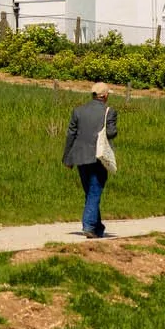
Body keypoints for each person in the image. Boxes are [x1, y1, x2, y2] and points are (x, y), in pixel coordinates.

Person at [62, 82, 117, 239]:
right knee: (95, 190)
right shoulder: (109, 111)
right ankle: (88, 225)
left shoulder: (78, 111)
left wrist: (67, 158)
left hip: (80, 156)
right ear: (105, 95)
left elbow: (71, 135)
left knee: (91, 191)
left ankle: (97, 227)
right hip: (99, 157)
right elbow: (112, 133)